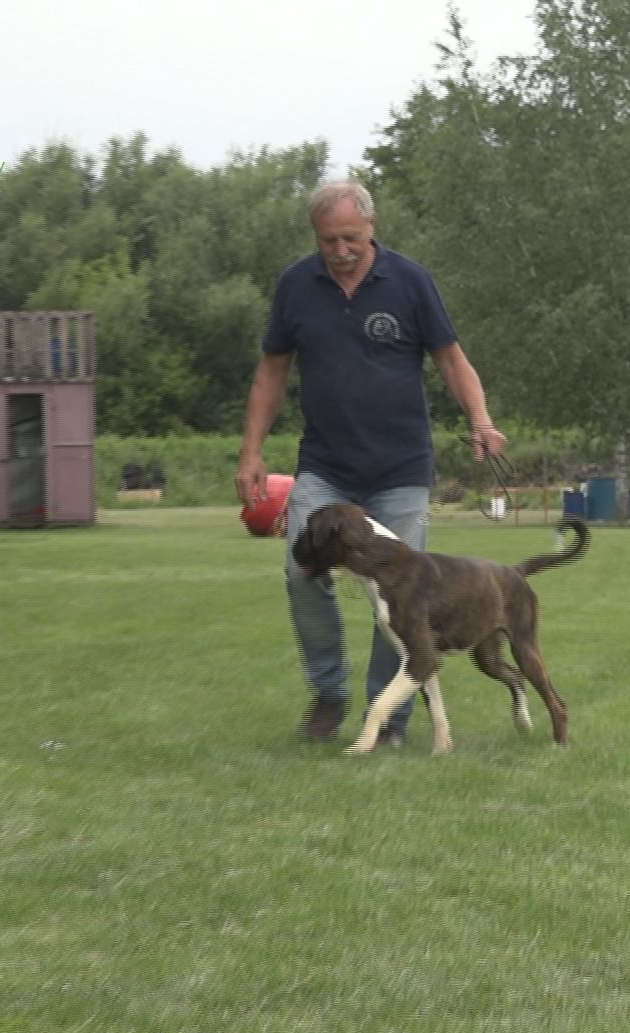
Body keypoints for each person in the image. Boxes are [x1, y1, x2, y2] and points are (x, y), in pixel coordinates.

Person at [237, 179, 507, 746]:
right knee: (300, 572)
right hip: (326, 465)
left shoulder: (410, 282)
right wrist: (252, 451)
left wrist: (480, 420)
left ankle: (391, 721)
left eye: (350, 238)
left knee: (403, 597)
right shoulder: (296, 285)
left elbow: (451, 359)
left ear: (372, 227)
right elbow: (272, 372)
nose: (339, 251)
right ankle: (328, 696)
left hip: (400, 469)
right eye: (327, 240)